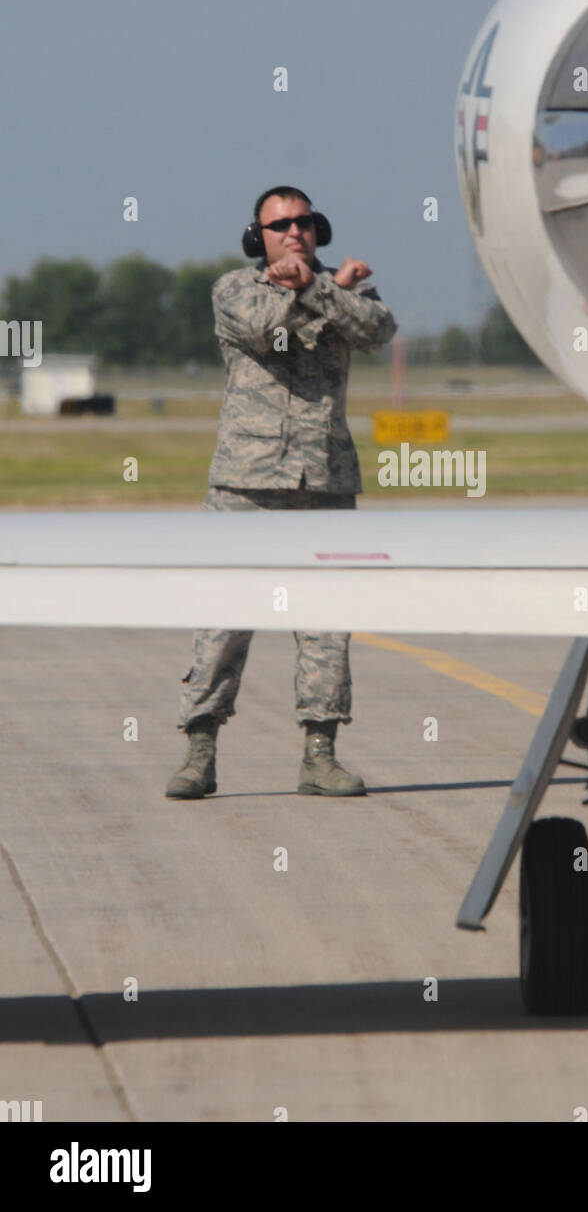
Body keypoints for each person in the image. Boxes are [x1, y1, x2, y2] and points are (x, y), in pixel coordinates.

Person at [165, 184, 397, 800]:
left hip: (323, 479)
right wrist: (320, 292)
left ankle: (319, 757)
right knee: (223, 621)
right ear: (256, 238)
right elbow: (270, 333)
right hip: (246, 480)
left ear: (318, 229)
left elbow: (376, 330)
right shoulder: (234, 290)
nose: (293, 233)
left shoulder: (346, 289)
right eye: (279, 225)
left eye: (303, 222)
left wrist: (322, 287)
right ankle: (200, 751)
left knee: (325, 625)